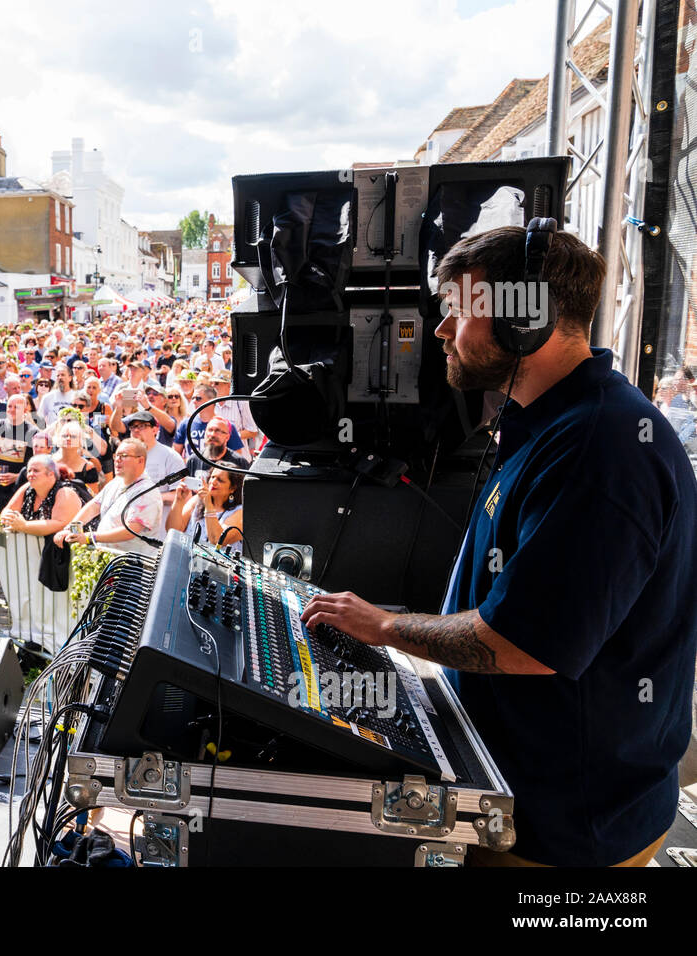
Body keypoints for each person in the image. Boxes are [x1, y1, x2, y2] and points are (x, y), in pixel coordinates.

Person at [300, 226, 697, 868]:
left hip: (565, 834)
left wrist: (386, 627)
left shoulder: (600, 449)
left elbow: (524, 645)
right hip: (533, 795)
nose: (440, 329)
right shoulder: (553, 420)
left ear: (521, 322)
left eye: (457, 310)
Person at [54, 438, 163, 557]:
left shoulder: (147, 492)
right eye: (116, 455)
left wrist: (90, 537)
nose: (117, 460)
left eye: (124, 455)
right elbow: (93, 507)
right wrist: (70, 527)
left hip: (134, 566)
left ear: (140, 460)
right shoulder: (116, 482)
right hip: (110, 560)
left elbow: (130, 531)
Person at [0, 393, 40, 509]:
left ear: (25, 410)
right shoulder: (0, 424)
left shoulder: (33, 432)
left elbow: (38, 462)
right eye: (9, 406)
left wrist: (17, 476)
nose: (12, 410)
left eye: (17, 407)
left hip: (21, 485)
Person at [0, 454, 83, 539]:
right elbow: (8, 510)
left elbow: (60, 524)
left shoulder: (65, 492)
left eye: (36, 471)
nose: (31, 474)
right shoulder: (27, 487)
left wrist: (24, 525)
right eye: (29, 471)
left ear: (50, 474)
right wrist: (8, 516)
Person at [168, 467, 243, 552]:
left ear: (232, 488)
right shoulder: (196, 500)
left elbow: (217, 540)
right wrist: (179, 500)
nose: (213, 482)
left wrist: (208, 504)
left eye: (220, 480)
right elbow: (173, 529)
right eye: (212, 477)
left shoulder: (240, 512)